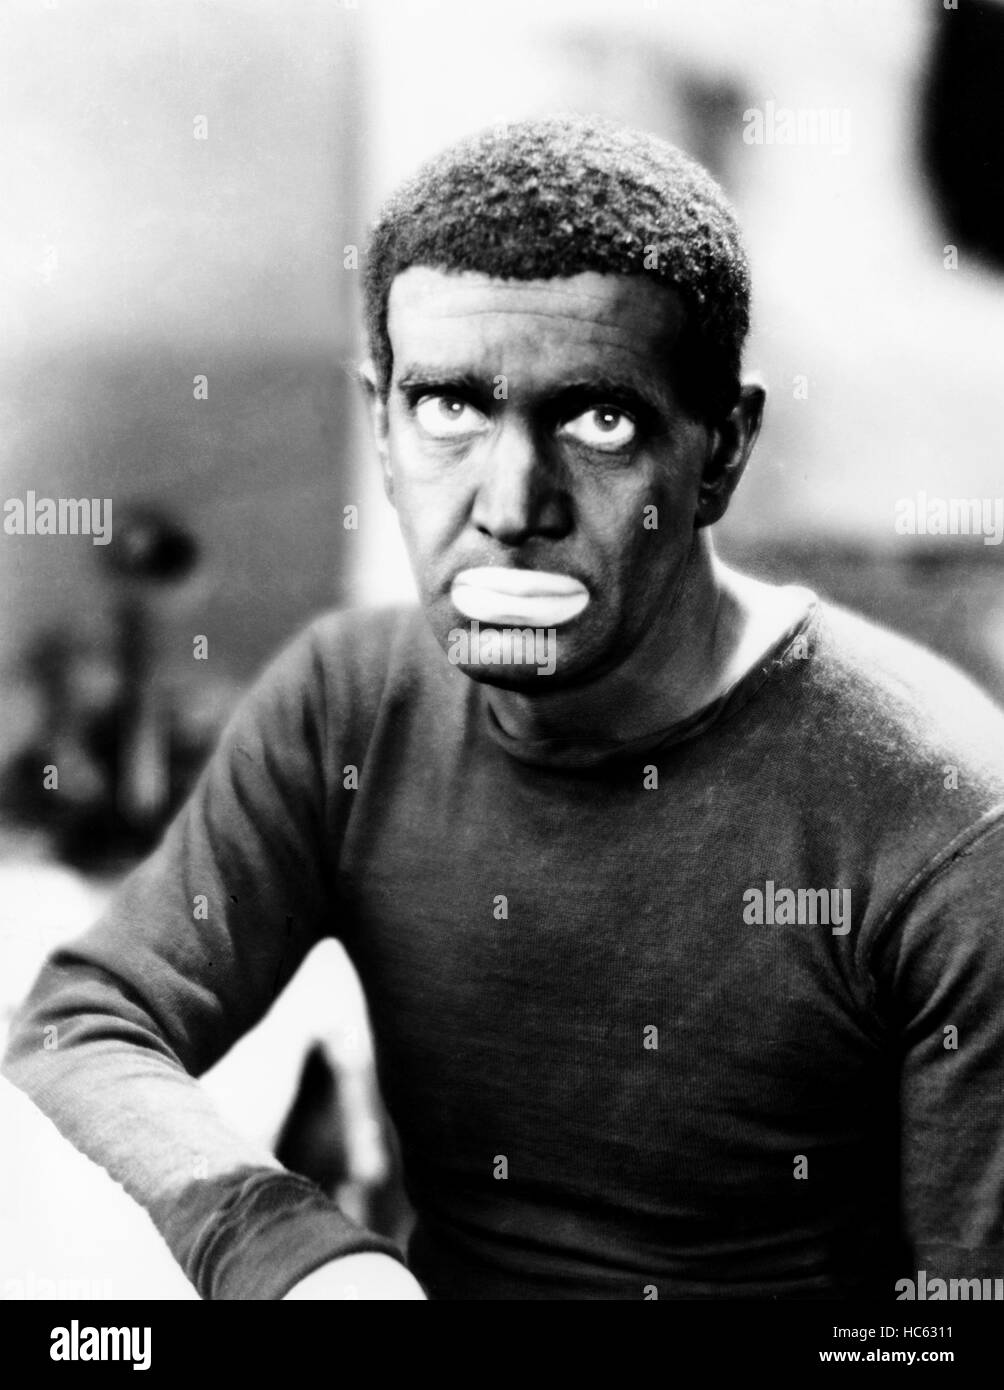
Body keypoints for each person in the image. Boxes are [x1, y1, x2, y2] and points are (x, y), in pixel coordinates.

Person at [4, 115, 1004, 1302]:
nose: (510, 503)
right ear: (379, 422)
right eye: (448, 410)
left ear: (722, 450)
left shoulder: (947, 826)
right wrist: (296, 1257)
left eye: (598, 420)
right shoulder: (348, 699)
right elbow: (82, 1014)